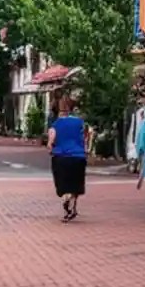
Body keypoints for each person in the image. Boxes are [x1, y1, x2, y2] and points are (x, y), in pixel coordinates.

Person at [47, 94, 91, 223]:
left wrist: (51, 148)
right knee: (76, 183)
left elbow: (51, 141)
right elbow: (87, 136)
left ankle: (66, 198)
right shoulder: (79, 122)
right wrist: (86, 148)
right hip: (78, 156)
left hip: (61, 157)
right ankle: (72, 203)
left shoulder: (55, 124)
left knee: (63, 183)